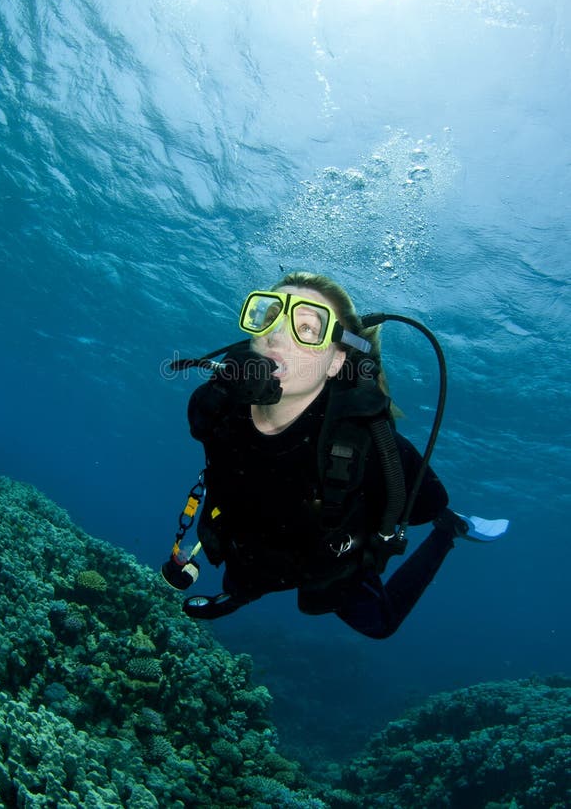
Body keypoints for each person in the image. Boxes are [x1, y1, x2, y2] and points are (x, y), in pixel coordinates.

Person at [171, 271, 508, 639]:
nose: (277, 333)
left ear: (335, 362)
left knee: (380, 624)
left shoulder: (373, 450)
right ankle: (241, 592)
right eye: (270, 318)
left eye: (307, 328)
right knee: (243, 577)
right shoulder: (215, 407)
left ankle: (450, 531)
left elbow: (429, 502)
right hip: (254, 541)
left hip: (324, 557)